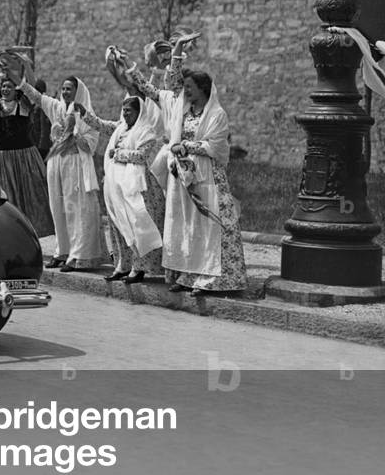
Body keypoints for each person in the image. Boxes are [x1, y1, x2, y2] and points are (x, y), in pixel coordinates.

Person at [122, 47, 248, 295]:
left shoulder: (216, 114)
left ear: (203, 89)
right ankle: (186, 275)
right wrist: (130, 64)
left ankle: (212, 279)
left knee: (209, 225)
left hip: (207, 176)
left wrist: (186, 146)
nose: (185, 91)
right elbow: (153, 90)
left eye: (190, 87)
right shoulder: (180, 110)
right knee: (185, 225)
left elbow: (216, 146)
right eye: (185, 87)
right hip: (182, 176)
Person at [15, 72, 106, 271]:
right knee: (58, 208)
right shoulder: (57, 107)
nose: (65, 92)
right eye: (63, 89)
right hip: (56, 163)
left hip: (76, 164)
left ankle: (79, 255)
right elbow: (38, 97)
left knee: (76, 209)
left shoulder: (87, 115)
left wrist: (72, 133)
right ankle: (62, 251)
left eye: (69, 89)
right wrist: (21, 82)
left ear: (78, 91)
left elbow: (90, 144)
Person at [77, 96, 164, 283]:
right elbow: (101, 125)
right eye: (123, 110)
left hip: (135, 187)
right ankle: (122, 264)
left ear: (139, 112)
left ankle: (139, 267)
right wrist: (84, 114)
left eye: (129, 111)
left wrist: (118, 154)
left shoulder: (146, 131)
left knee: (135, 225)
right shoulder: (120, 128)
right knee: (117, 224)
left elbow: (141, 156)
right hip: (115, 184)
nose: (125, 113)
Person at [0, 77, 54, 238]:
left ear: (17, 90)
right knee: (8, 198)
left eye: (9, 86)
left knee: (33, 195)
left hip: (26, 157)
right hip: (4, 159)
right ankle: (12, 234)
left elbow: (32, 89)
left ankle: (34, 233)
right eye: (3, 86)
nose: (5, 89)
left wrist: (17, 71)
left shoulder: (24, 106)